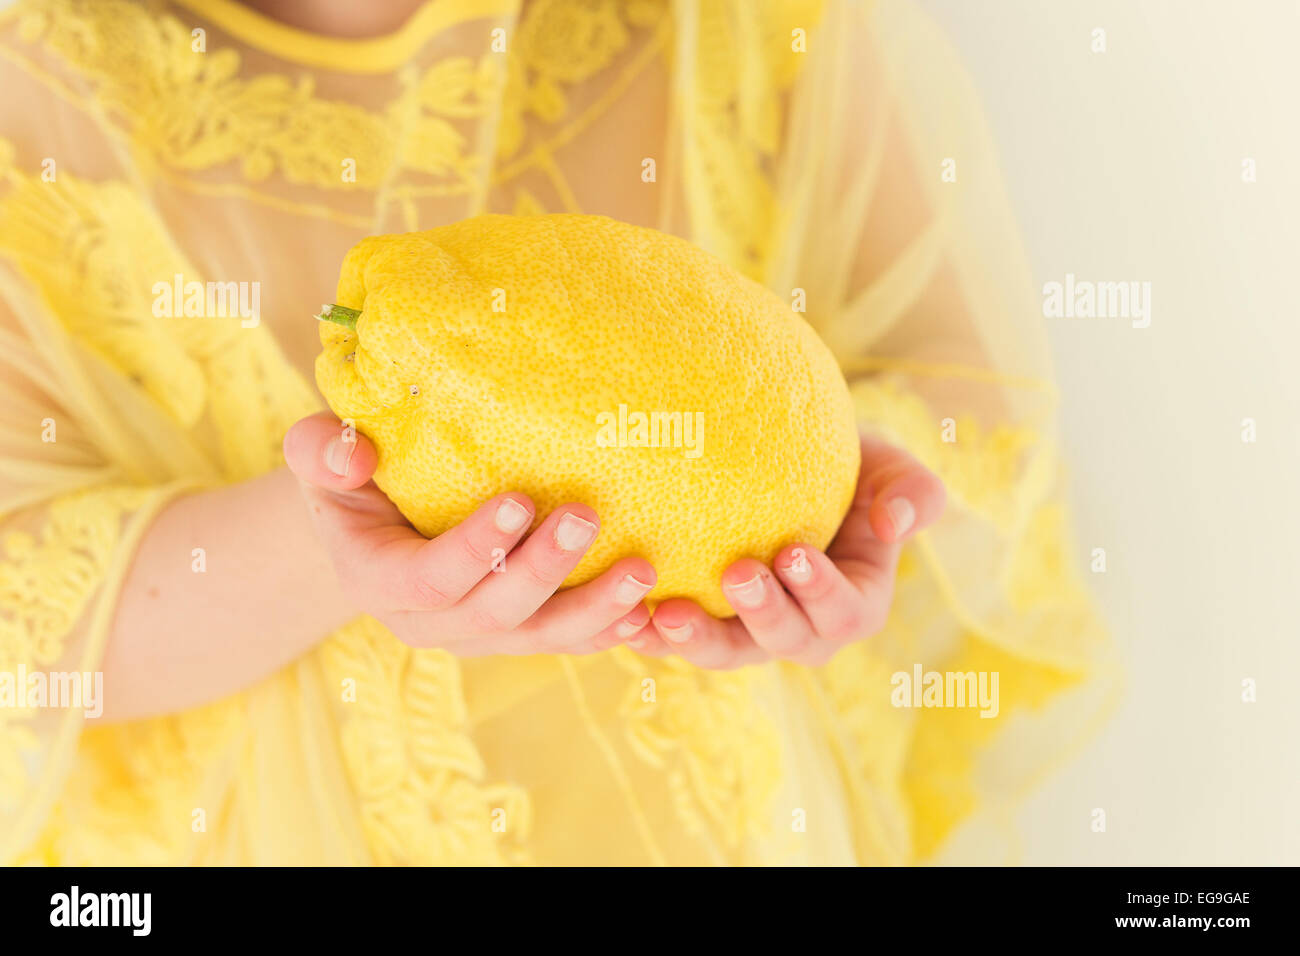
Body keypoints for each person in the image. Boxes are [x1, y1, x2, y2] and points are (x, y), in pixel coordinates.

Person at [0, 0, 1112, 865]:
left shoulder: (732, 20)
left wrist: (832, 508)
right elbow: (25, 624)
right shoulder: (30, 92)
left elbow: (963, 384)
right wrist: (335, 544)